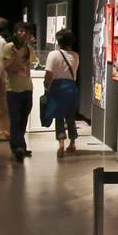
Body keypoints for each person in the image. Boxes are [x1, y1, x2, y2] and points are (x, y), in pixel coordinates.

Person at [43, 28, 80, 157]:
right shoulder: (75, 55)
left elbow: (49, 73)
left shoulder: (53, 54)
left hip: (58, 88)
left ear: (58, 41)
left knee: (59, 116)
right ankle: (73, 143)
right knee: (70, 116)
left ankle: (61, 144)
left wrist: (46, 85)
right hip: (71, 87)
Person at [2, 22, 35, 161]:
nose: (24, 34)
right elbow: (7, 68)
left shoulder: (29, 49)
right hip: (13, 89)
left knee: (23, 119)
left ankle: (19, 145)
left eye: (26, 32)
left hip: (27, 88)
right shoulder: (8, 47)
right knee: (15, 119)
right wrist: (15, 57)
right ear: (15, 32)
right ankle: (18, 147)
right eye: (21, 31)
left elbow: (29, 67)